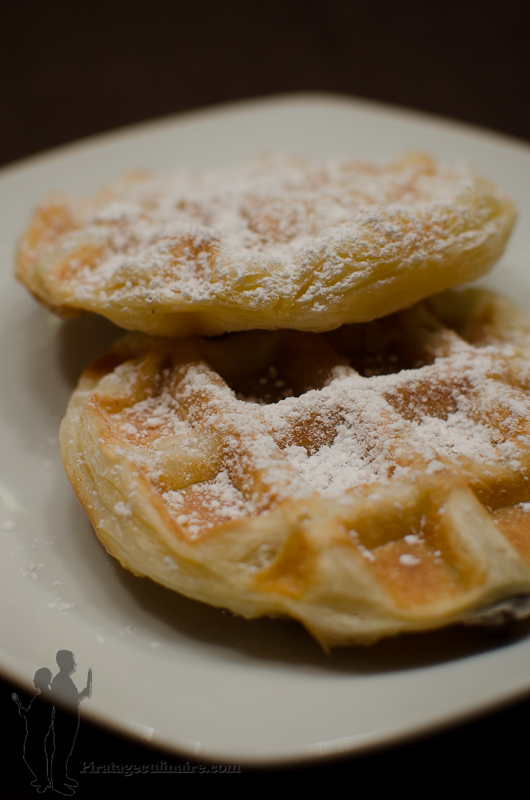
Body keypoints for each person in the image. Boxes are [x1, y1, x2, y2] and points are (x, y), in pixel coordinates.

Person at [50, 651, 92, 795]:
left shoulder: (64, 679)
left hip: (68, 720)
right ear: (65, 662)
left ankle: (61, 777)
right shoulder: (60, 680)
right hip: (64, 721)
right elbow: (66, 702)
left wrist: (82, 695)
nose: (74, 663)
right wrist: (83, 694)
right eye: (72, 660)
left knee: (65, 751)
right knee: (61, 751)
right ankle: (57, 783)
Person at [12, 667, 54, 793]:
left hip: (37, 731)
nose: (34, 680)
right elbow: (32, 714)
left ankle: (43, 780)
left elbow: (31, 715)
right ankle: (42, 779)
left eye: (36, 678)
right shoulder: (46, 695)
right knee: (38, 755)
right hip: (39, 731)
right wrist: (20, 705)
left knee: (31, 755)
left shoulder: (41, 697)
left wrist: (20, 706)